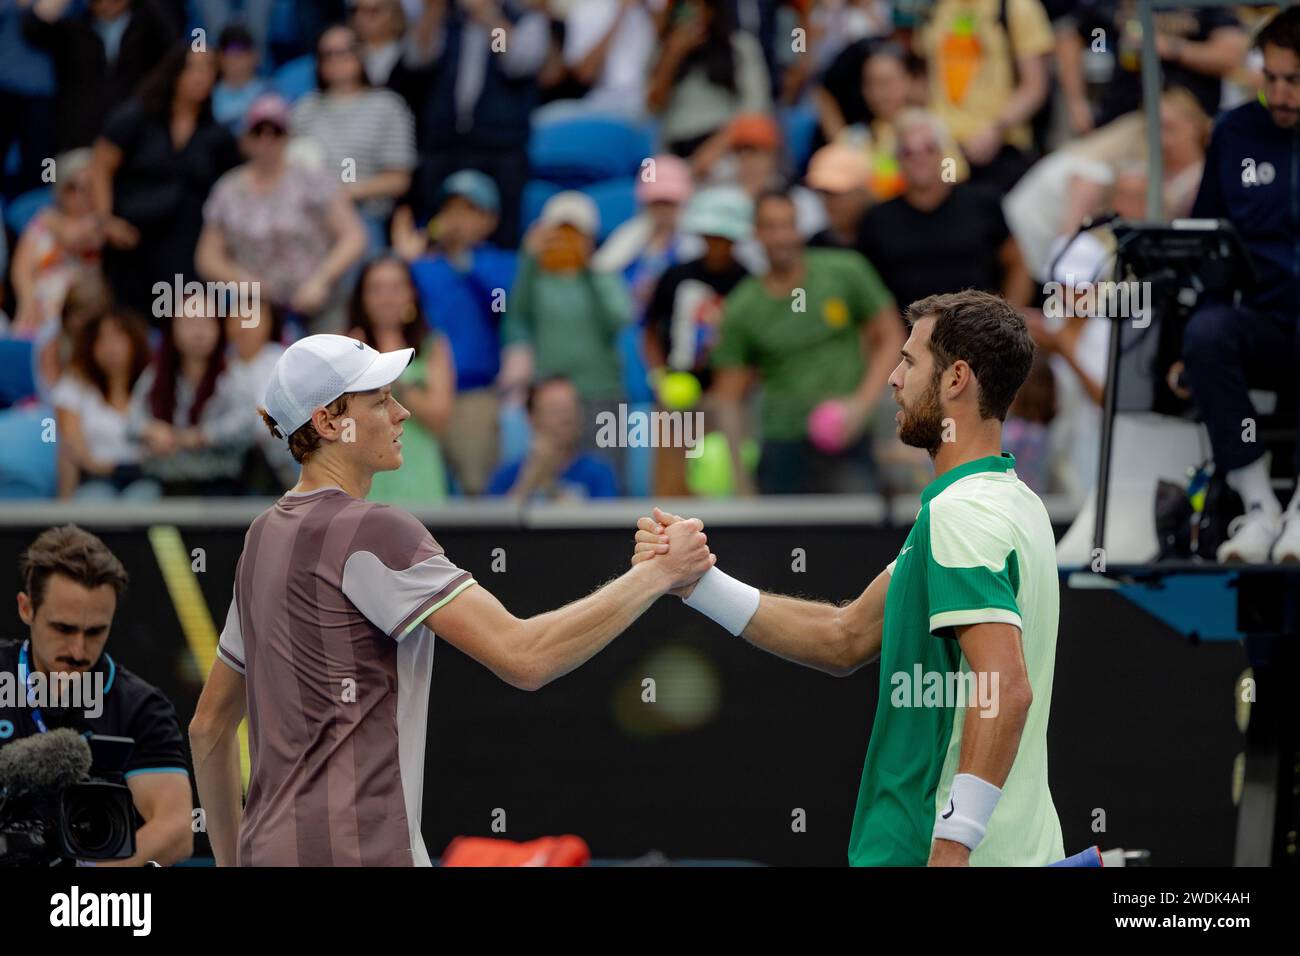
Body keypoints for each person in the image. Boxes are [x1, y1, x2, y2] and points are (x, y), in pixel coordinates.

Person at [187, 332, 713, 866]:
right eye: (380, 401)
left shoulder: (261, 538)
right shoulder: (378, 531)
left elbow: (208, 729)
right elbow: (526, 657)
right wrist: (657, 573)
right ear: (327, 423)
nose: (402, 413)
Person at [633, 289, 1064, 867]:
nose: (892, 379)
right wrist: (695, 583)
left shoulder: (961, 516)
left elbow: (1005, 689)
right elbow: (845, 636)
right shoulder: (1012, 505)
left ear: (957, 378)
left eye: (910, 362)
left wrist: (953, 849)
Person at [1180, 6, 1300, 563]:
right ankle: (1259, 507)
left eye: (1293, 81)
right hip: (1263, 322)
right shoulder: (1234, 132)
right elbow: (1210, 242)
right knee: (1205, 333)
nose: (1279, 93)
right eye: (1270, 77)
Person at [2, 524, 193, 865]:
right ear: (26, 608)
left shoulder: (140, 706)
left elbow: (175, 829)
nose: (78, 650)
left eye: (95, 632)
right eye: (63, 628)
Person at [711, 188, 903, 495]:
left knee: (857, 533)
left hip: (847, 436)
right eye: (771, 227)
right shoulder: (742, 307)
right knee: (781, 538)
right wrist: (740, 482)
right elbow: (728, 398)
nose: (781, 237)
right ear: (756, 234)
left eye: (788, 225)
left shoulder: (846, 271)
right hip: (782, 443)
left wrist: (860, 405)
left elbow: (892, 336)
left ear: (799, 228)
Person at [90, 43, 241, 319]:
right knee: (129, 324)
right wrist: (105, 219)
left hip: (186, 247)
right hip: (132, 243)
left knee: (182, 322)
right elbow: (100, 166)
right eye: (193, 68)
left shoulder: (218, 136)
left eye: (209, 69)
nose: (200, 76)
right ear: (174, 71)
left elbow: (233, 188)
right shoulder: (135, 117)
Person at [196, 93, 369, 334]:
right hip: (255, 307)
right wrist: (246, 283)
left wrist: (321, 280)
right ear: (245, 139)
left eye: (275, 132)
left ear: (287, 137)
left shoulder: (312, 179)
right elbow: (207, 257)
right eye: (258, 131)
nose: (266, 140)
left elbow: (353, 237)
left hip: (318, 303)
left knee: (333, 356)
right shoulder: (228, 189)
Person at [405, 170, 516, 496]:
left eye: (470, 210)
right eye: (452, 209)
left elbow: (502, 304)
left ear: (490, 220)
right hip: (422, 393)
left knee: (476, 488)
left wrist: (462, 260)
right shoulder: (421, 266)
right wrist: (406, 257)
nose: (458, 218)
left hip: (474, 396)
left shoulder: (502, 264)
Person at [502, 191, 632, 467]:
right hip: (551, 402)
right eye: (559, 232)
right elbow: (515, 316)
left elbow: (620, 318)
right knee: (551, 474)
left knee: (606, 478)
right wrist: (528, 258)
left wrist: (591, 266)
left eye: (575, 233)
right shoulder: (537, 278)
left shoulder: (603, 274)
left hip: (600, 396)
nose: (567, 239)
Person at [404, 0, 550, 245]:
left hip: (501, 150)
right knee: (437, 235)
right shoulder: (446, 18)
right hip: (445, 145)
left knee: (501, 239)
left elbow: (516, 63)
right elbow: (417, 60)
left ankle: (497, 286)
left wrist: (489, 16)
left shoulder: (524, 18)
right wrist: (432, 11)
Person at [857, 110, 1033, 308]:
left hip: (979, 331)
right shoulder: (878, 220)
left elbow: (1018, 264)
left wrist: (1009, 320)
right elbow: (867, 290)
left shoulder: (982, 204)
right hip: (909, 334)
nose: (919, 159)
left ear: (942, 154)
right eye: (908, 152)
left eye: (928, 149)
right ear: (897, 159)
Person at [644, 185, 752, 495]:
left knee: (732, 479)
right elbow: (649, 330)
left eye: (725, 237)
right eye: (711, 235)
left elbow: (756, 349)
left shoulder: (749, 282)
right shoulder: (675, 275)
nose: (717, 243)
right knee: (670, 481)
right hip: (677, 391)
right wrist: (659, 375)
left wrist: (736, 386)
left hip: (733, 398)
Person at [293, 24, 417, 251]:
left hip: (365, 213)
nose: (336, 60)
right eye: (327, 54)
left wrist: (344, 193)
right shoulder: (304, 109)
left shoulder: (387, 106)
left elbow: (399, 179)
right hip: (308, 215)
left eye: (344, 51)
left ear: (361, 54)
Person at [916, 0, 1055, 196]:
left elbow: (1035, 86)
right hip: (945, 150)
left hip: (999, 147)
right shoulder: (936, 8)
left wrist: (996, 128)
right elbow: (924, 78)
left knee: (988, 219)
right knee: (946, 218)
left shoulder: (1017, 7)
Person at [348, 254, 454, 505]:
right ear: (362, 298)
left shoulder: (432, 346)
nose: (386, 298)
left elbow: (439, 418)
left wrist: (388, 375)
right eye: (376, 289)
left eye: (396, 288)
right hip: (363, 474)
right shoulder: (346, 346)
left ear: (411, 294)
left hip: (417, 471)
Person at [125, 306, 253, 495]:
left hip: (220, 480)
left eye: (206, 322)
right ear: (173, 329)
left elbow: (247, 424)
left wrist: (202, 436)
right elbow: (131, 423)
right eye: (190, 323)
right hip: (164, 478)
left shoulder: (234, 374)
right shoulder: (156, 373)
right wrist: (151, 430)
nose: (199, 332)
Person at [22, 0, 180, 153]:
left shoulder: (148, 27)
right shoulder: (73, 28)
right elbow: (34, 26)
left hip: (133, 145)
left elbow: (175, 40)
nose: (106, 4)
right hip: (79, 144)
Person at [50, 306, 156, 499]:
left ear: (135, 341)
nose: (111, 348)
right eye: (102, 340)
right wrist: (103, 468)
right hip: (94, 476)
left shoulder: (154, 381)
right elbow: (70, 439)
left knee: (144, 499)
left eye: (119, 338)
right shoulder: (75, 383)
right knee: (95, 500)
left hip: (147, 476)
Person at [648, 0, 772, 160]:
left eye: (697, 6)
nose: (691, 15)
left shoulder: (740, 46)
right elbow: (653, 106)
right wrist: (673, 54)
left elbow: (755, 107)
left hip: (727, 153)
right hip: (677, 154)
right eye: (684, 8)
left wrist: (715, 148)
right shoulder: (664, 51)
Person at [7, 147, 103, 336]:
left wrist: (51, 221)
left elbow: (73, 238)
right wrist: (27, 300)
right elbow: (21, 270)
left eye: (87, 187)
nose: (80, 195)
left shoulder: (103, 224)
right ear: (60, 190)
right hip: (39, 313)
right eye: (72, 187)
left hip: (83, 315)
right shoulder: (41, 225)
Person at [486, 375, 620, 499]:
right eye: (556, 410)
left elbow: (601, 521)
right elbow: (496, 521)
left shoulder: (599, 472)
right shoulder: (507, 475)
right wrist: (530, 477)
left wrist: (547, 482)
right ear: (531, 417)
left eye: (571, 408)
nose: (567, 418)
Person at [211, 22, 268, 133]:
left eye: (242, 52)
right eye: (230, 52)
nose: (236, 59)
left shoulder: (269, 92)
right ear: (219, 58)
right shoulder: (206, 95)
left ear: (255, 55)